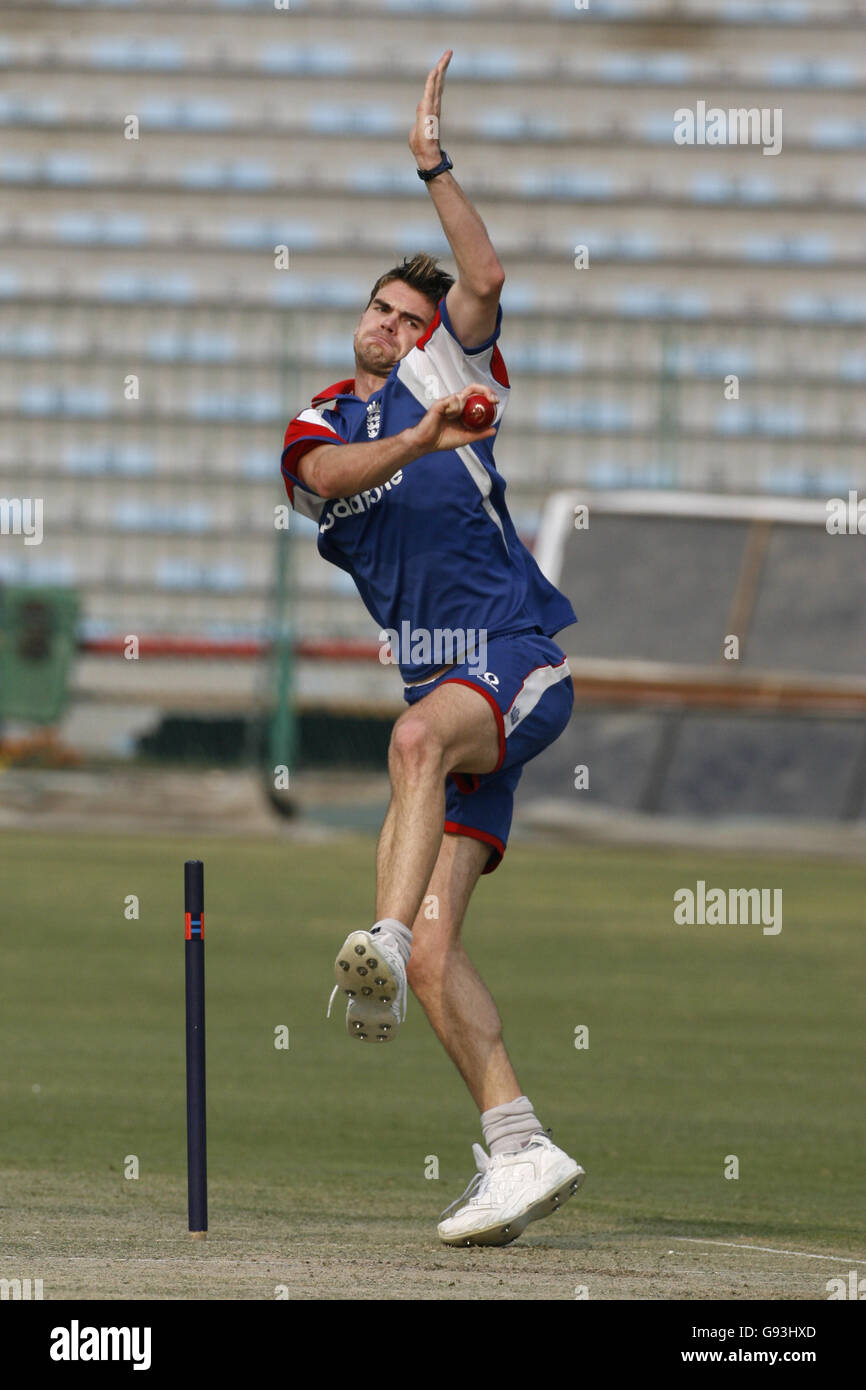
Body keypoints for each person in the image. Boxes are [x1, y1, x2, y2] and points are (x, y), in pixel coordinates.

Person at [281, 50, 584, 1246]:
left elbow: (487, 271)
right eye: (387, 312)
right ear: (357, 320)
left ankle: (381, 945)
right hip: (456, 704)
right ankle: (517, 1147)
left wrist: (432, 164)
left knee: (410, 738)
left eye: (416, 318)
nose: (402, 327)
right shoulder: (327, 422)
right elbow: (331, 478)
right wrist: (418, 433)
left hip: (512, 661)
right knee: (448, 948)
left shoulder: (451, 367)